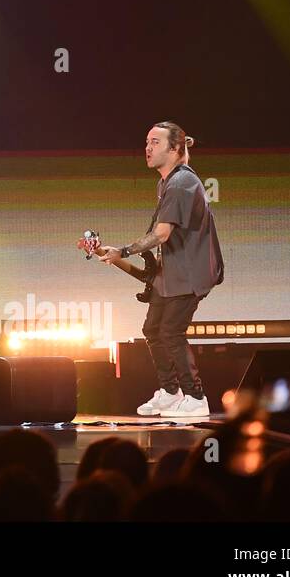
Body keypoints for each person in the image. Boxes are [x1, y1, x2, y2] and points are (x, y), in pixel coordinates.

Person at [96, 121, 224, 419]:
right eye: (146, 142)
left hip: (191, 273)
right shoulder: (167, 183)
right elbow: (157, 247)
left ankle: (196, 397)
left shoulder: (181, 183)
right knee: (153, 330)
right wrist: (112, 255)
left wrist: (124, 251)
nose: (148, 148)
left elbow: (162, 233)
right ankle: (170, 393)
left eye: (155, 142)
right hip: (171, 275)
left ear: (175, 148)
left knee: (170, 331)